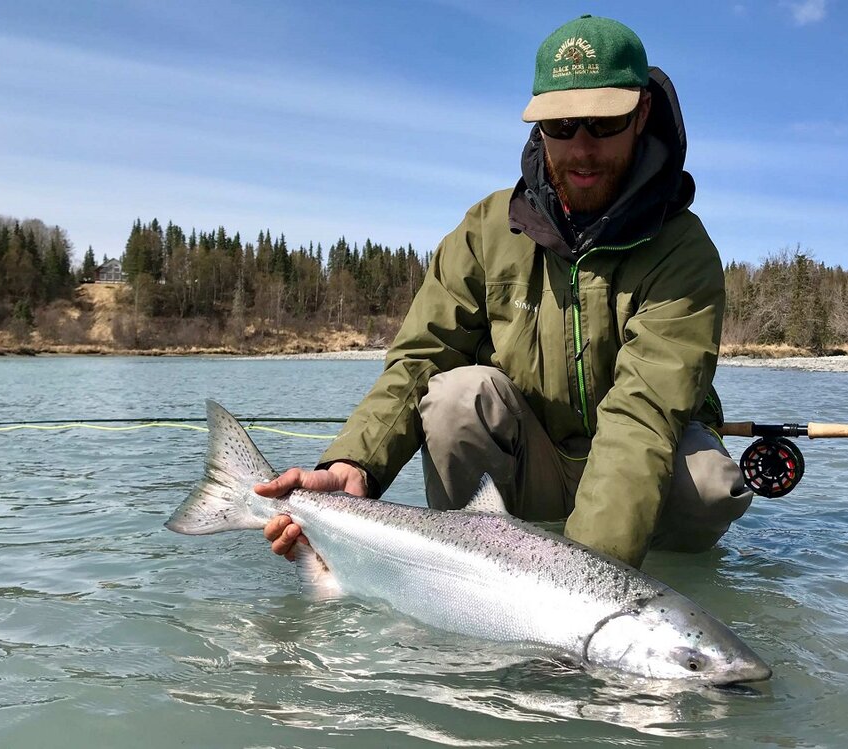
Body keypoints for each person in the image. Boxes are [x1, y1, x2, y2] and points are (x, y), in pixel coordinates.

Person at [257, 15, 753, 569]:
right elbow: (421, 358)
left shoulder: (682, 249)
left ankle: (624, 574)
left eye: (603, 123)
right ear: (539, 125)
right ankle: (469, 571)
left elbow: (644, 416)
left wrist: (584, 583)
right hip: (526, 468)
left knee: (711, 482)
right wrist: (357, 463)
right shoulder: (486, 229)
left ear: (640, 115)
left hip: (644, 477)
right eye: (561, 126)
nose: (581, 148)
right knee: (455, 399)